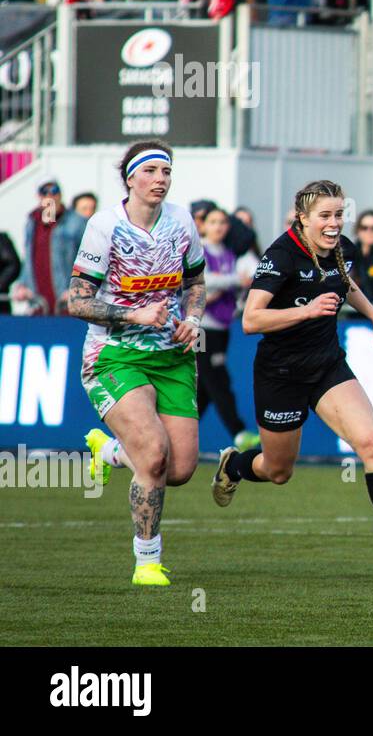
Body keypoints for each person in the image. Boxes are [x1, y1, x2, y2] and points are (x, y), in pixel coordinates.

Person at [210, 179, 373, 574]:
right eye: (325, 216)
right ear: (303, 219)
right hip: (280, 373)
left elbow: (346, 286)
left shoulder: (339, 249)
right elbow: (251, 319)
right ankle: (236, 467)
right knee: (278, 471)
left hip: (327, 366)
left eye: (338, 215)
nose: (334, 224)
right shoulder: (280, 256)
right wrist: (307, 310)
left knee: (371, 444)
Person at [73, 142, 206, 588]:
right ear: (130, 179)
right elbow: (76, 301)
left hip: (171, 355)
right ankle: (147, 561)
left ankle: (107, 449)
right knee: (152, 454)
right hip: (114, 354)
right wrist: (134, 314)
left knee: (181, 468)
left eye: (167, 171)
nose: (161, 179)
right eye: (150, 170)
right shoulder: (105, 226)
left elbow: (196, 282)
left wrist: (192, 319)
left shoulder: (182, 221)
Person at [196, 205, 259, 452]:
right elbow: (202, 280)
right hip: (200, 327)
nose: (218, 227)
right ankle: (239, 432)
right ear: (204, 225)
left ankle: (176, 434)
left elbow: (251, 273)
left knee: (205, 385)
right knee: (216, 377)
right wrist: (233, 280)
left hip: (221, 326)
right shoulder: (199, 249)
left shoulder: (231, 253)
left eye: (222, 222)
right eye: (213, 222)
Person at [13, 177, 85, 316]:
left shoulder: (76, 222)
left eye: (54, 191)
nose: (50, 196)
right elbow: (29, 258)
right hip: (39, 305)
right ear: (38, 196)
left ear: (61, 194)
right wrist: (22, 284)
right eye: (44, 191)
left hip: (67, 305)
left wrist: (78, 289)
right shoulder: (32, 223)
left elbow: (93, 259)